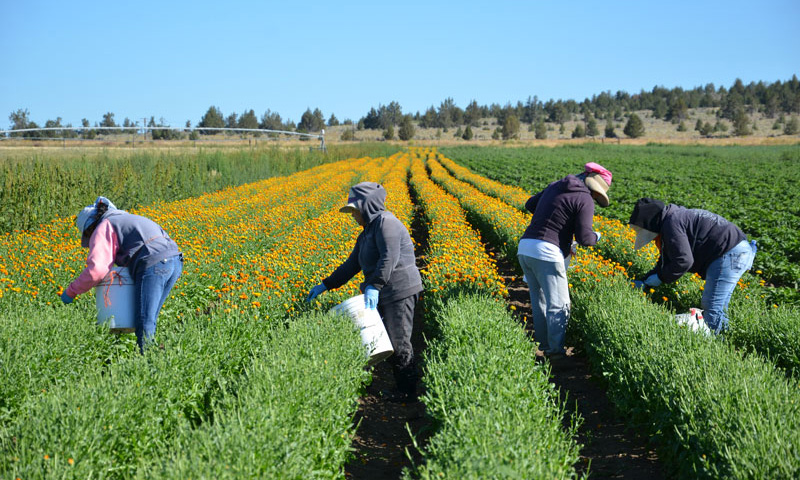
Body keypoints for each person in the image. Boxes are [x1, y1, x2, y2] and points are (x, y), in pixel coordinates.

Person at [307, 182, 423, 402]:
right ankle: (400, 386)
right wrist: (326, 284)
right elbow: (352, 264)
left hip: (400, 290)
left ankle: (408, 393)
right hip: (383, 290)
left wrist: (374, 285)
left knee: (398, 341)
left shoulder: (386, 224)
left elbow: (389, 258)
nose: (353, 216)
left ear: (367, 206)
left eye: (355, 210)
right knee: (385, 339)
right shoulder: (368, 231)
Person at [60, 196, 183, 353]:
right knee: (148, 319)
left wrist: (71, 291)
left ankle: (150, 366)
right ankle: (156, 359)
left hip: (154, 262)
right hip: (174, 260)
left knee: (144, 321)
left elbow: (96, 270)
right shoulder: (124, 218)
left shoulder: (104, 226)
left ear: (90, 228)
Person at [517, 162, 612, 360]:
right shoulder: (584, 199)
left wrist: (556, 225)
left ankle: (544, 347)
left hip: (525, 247)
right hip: (547, 253)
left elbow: (530, 205)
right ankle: (556, 354)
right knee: (559, 304)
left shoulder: (555, 185)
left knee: (540, 300)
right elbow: (585, 238)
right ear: (593, 187)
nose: (595, 197)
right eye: (596, 193)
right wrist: (598, 236)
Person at [628, 198, 757, 335]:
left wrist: (660, 277)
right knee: (718, 306)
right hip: (736, 251)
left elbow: (683, 261)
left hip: (729, 253)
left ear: (651, 224)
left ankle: (714, 344)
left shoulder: (672, 223)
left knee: (712, 306)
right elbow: (668, 259)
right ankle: (725, 338)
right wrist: (646, 280)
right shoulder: (672, 218)